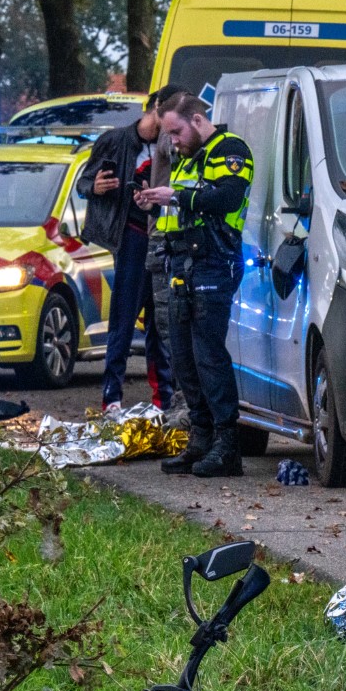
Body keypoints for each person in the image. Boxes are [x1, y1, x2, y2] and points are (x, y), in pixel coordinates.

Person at [137, 93, 253, 478]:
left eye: (176, 131)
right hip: (181, 264)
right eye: (168, 135)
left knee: (208, 356)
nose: (172, 141)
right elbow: (181, 208)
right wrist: (153, 203)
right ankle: (200, 440)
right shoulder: (186, 157)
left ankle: (227, 446)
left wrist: (177, 195)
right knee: (184, 358)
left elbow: (227, 196)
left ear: (198, 120)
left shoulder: (230, 149)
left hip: (213, 264)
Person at [77, 88, 186, 411]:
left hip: (164, 239)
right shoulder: (116, 141)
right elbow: (84, 182)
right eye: (168, 115)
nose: (172, 125)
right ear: (154, 108)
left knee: (160, 322)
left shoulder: (173, 144)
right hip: (130, 237)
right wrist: (95, 187)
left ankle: (164, 400)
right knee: (123, 320)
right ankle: (112, 398)